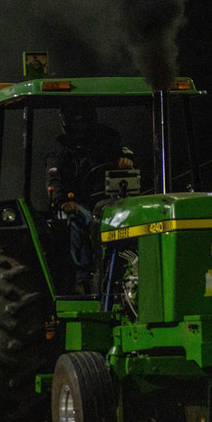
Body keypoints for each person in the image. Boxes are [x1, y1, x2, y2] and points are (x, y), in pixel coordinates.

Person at [45, 103, 133, 292]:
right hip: (77, 202)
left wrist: (125, 158)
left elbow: (125, 150)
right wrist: (63, 201)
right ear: (67, 123)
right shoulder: (60, 148)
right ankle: (82, 278)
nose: (80, 127)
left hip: (110, 200)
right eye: (75, 123)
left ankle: (126, 268)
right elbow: (54, 178)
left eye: (83, 122)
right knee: (76, 219)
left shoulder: (106, 138)